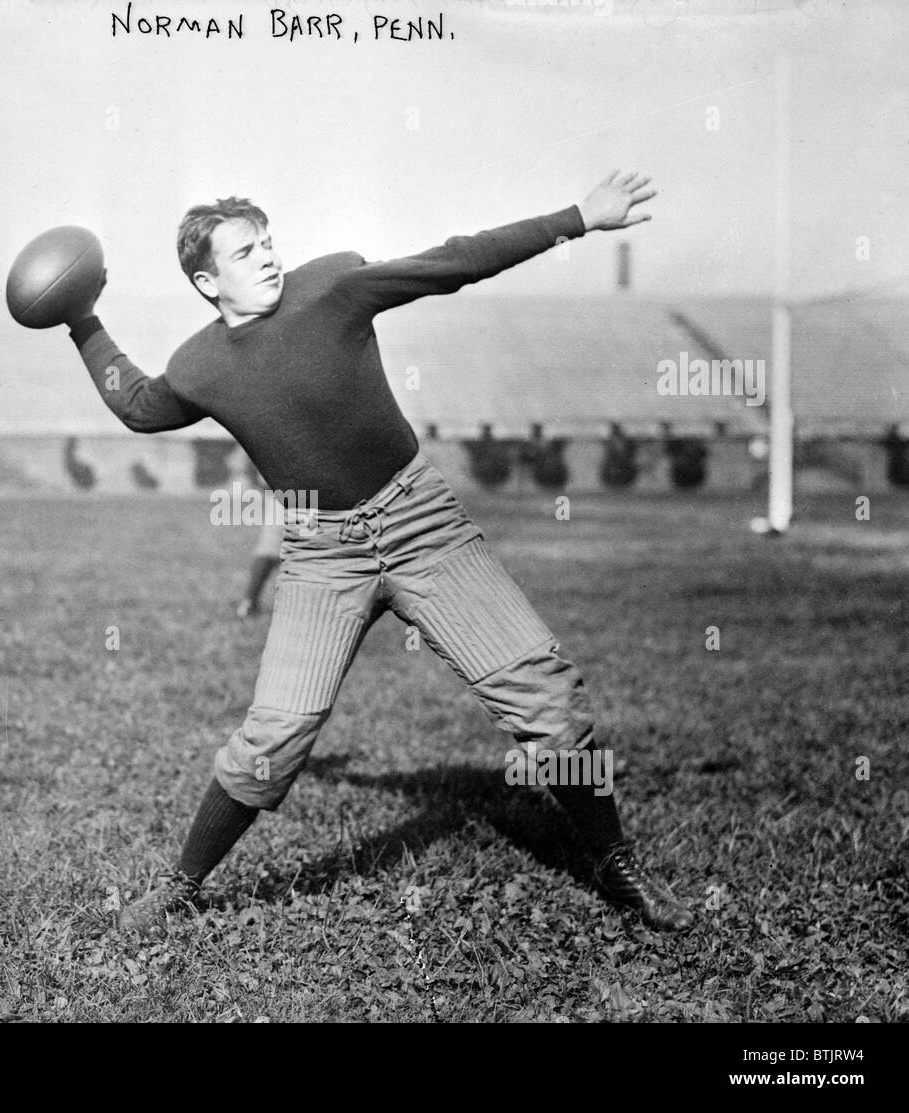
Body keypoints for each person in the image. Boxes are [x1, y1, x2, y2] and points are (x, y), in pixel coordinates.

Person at [63, 171, 693, 933]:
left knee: (548, 701)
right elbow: (137, 404)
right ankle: (183, 881)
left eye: (268, 242)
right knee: (274, 734)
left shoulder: (333, 286)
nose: (267, 258)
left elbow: (455, 259)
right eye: (244, 252)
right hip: (323, 553)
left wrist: (579, 219)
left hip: (421, 522)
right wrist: (80, 320)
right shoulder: (200, 364)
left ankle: (613, 860)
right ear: (205, 279)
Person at [224, 443, 285, 619]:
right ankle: (249, 602)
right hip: (291, 491)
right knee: (273, 548)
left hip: (300, 491)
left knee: (274, 549)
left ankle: (249, 601)